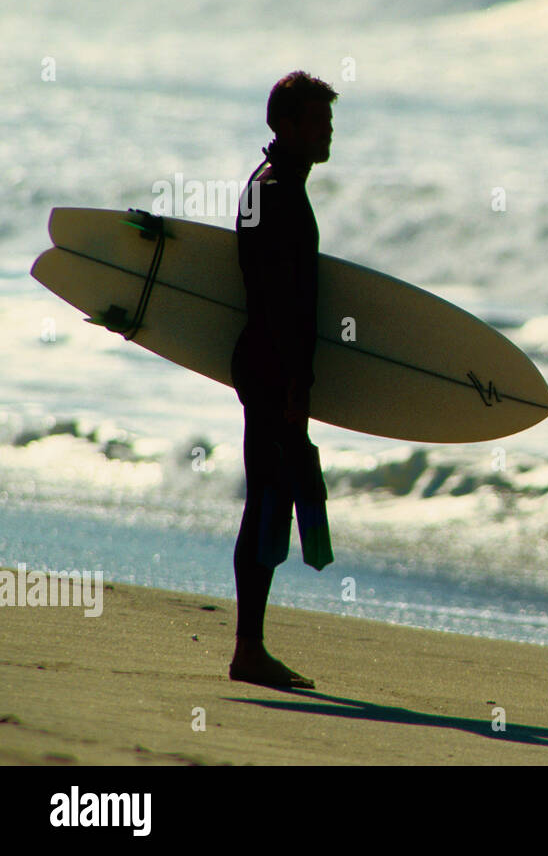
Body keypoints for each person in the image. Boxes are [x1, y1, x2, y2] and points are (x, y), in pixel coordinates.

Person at [228, 71, 336, 688]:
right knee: (267, 501)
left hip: (265, 366)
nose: (328, 132)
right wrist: (296, 385)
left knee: (272, 499)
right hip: (272, 369)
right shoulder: (277, 193)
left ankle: (252, 647)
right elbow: (279, 301)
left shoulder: (265, 185)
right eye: (318, 120)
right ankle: (248, 650)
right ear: (286, 124)